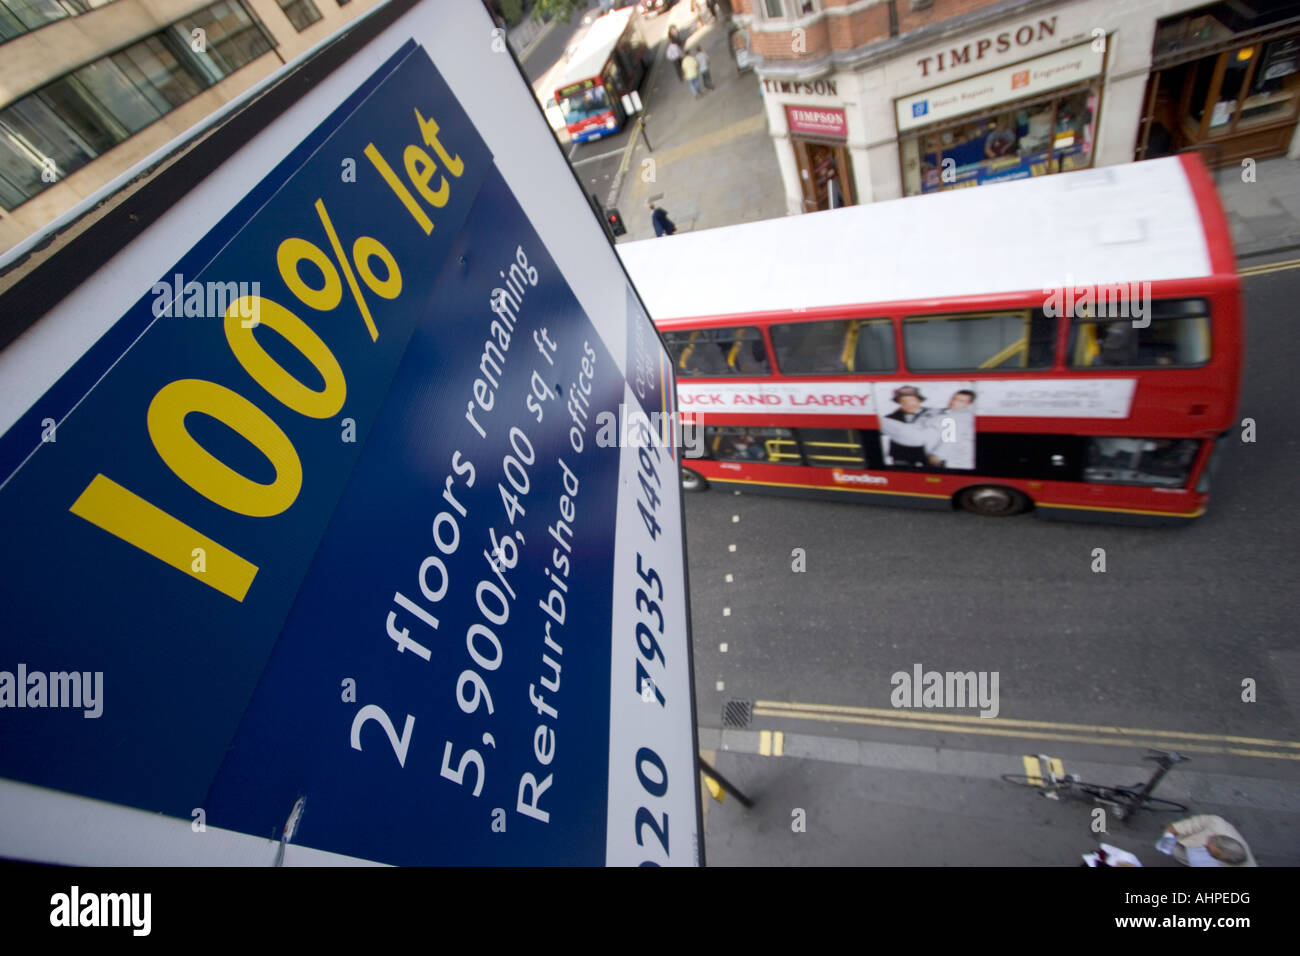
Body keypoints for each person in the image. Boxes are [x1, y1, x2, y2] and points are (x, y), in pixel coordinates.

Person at [1162, 815, 1257, 867]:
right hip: (1187, 846)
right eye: (1208, 844)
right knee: (1177, 850)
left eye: (1209, 851)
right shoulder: (1216, 823)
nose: (1204, 846)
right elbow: (1184, 826)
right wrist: (1168, 836)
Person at [880, 386, 937, 468]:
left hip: (929, 455)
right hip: (901, 456)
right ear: (899, 403)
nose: (908, 404)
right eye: (903, 401)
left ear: (919, 400)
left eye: (911, 400)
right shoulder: (891, 417)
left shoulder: (934, 414)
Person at [927, 389, 976, 469]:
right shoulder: (952, 412)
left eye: (961, 401)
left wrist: (936, 456)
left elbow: (950, 439)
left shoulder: (961, 418)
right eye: (954, 398)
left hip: (948, 462)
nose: (954, 402)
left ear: (968, 404)